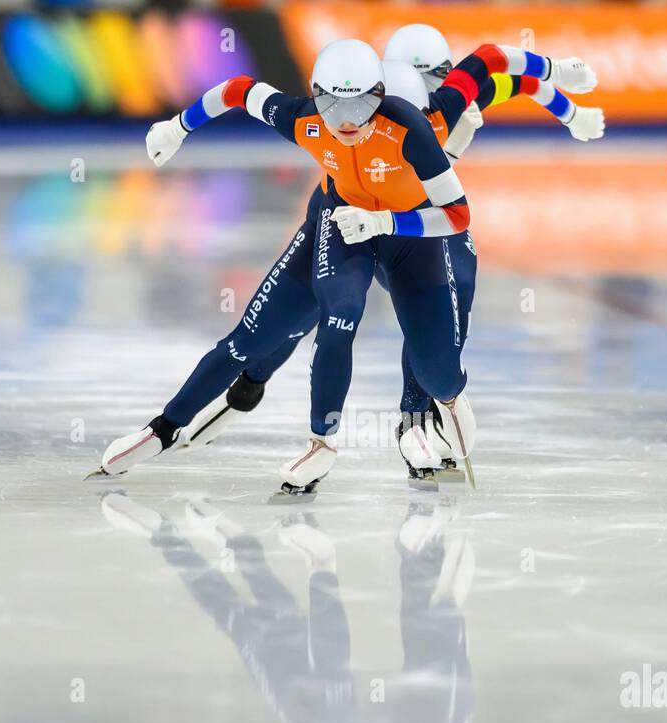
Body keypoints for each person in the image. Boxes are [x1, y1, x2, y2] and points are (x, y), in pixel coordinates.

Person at [92, 37, 597, 494]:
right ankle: (287, 430)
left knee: (442, 347)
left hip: (409, 231)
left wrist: (563, 93)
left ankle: (433, 401)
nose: (351, 122)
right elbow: (241, 90)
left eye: (367, 107)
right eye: (335, 106)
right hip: (343, 220)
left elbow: (465, 195)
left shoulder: (426, 120)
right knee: (316, 318)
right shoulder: (308, 120)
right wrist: (178, 126)